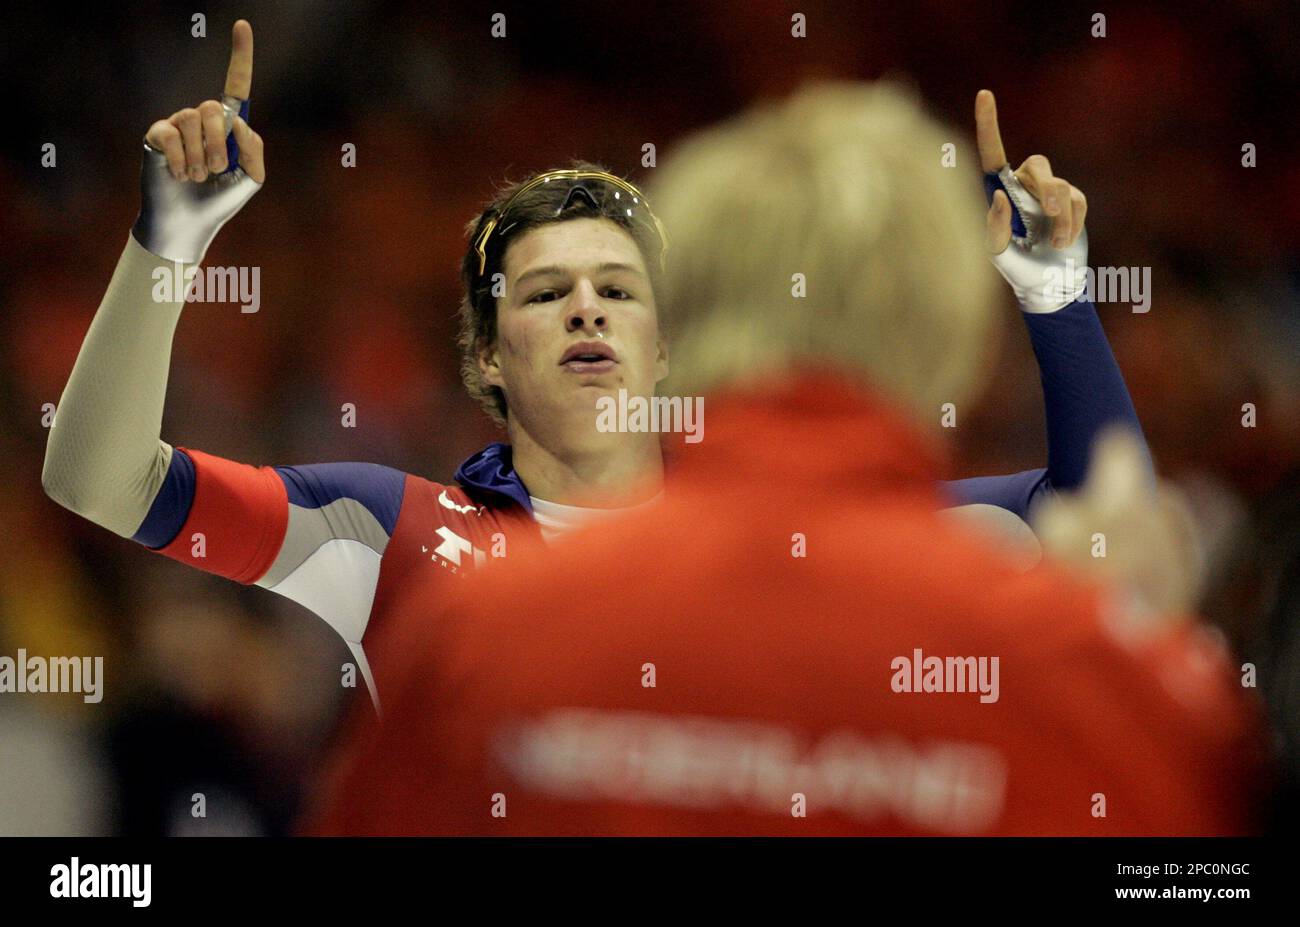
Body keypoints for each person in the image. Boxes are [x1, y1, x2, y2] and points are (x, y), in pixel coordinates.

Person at [43, 19, 1147, 712]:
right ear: (486, 356)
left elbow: (1104, 529)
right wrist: (169, 243)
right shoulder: (393, 535)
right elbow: (99, 481)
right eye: (542, 291)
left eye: (618, 291)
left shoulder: (803, 537)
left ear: (666, 351)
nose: (585, 308)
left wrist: (1053, 296)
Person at [307, 80, 1264, 835]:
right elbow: (1103, 515)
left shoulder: (476, 634)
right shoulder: (1085, 671)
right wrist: (1052, 290)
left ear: (680, 322)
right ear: (960, 344)